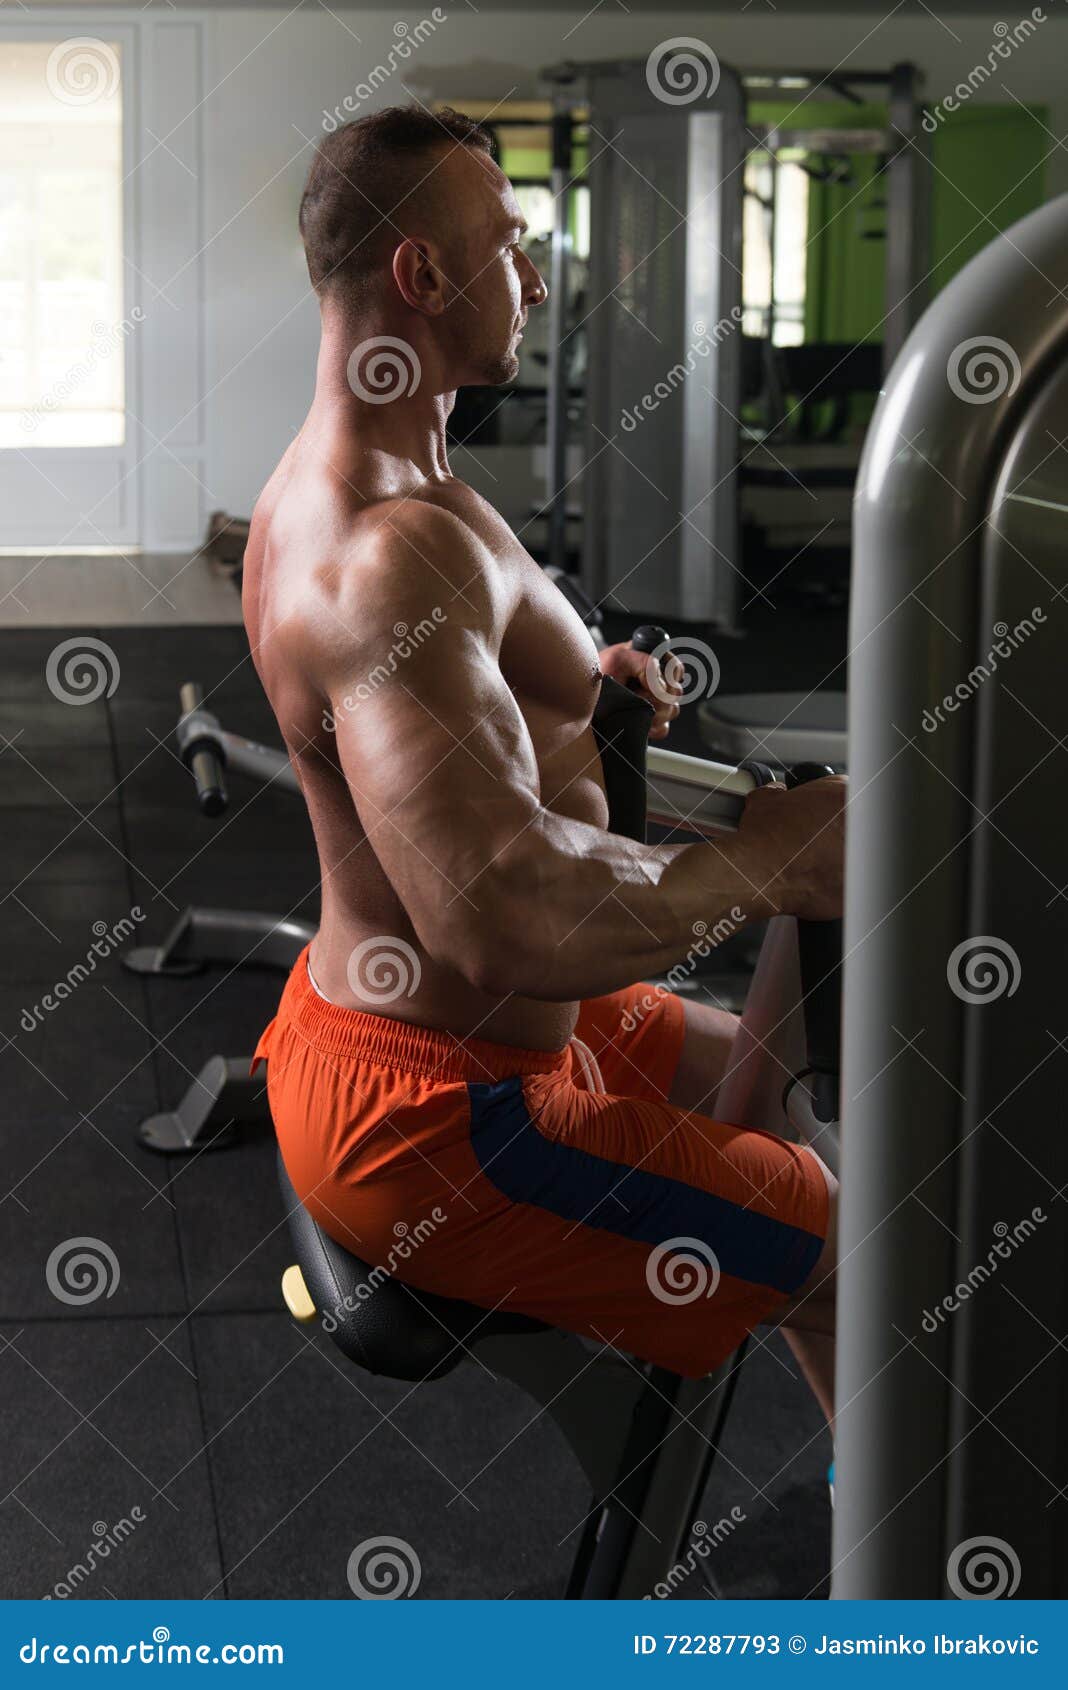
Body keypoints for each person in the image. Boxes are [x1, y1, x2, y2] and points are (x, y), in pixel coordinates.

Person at [245, 106, 844, 1417]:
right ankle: (933, 1597)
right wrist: (767, 860)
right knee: (865, 1254)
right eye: (510, 242)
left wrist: (582, 692)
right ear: (422, 274)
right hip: (442, 1116)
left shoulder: (405, 470)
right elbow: (494, 911)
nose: (532, 271)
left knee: (785, 1098)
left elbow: (492, 663)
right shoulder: (377, 546)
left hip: (461, 1039)